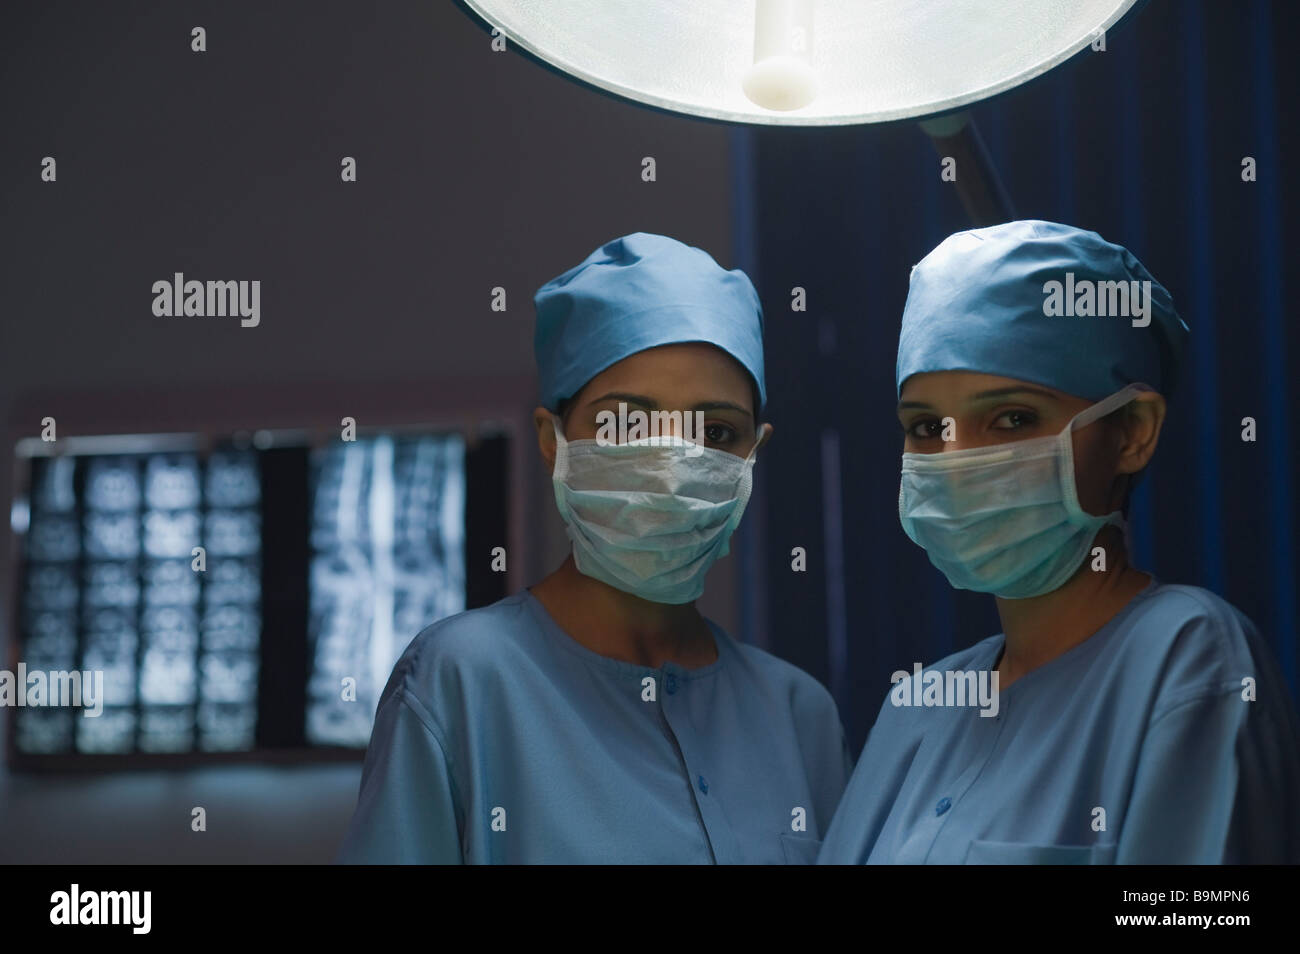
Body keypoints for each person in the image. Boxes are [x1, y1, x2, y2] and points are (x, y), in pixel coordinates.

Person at [338, 231, 852, 864]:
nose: (670, 465)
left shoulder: (799, 718)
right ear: (552, 440)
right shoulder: (461, 684)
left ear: (753, 455)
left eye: (715, 431)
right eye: (627, 422)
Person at [818, 220, 1300, 864]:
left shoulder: (1189, 659)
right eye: (928, 425)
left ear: (1131, 431)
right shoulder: (920, 703)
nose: (956, 457)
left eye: (1012, 418)